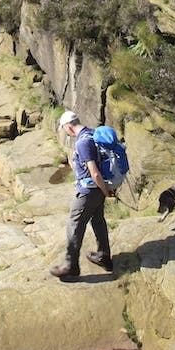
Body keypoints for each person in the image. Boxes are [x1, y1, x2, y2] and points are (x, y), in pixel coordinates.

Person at [49, 109, 113, 279]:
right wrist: (104, 189)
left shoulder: (82, 143)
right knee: (98, 220)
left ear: (68, 127)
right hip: (98, 190)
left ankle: (71, 265)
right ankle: (104, 256)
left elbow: (95, 173)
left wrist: (105, 191)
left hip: (89, 192)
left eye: (65, 130)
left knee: (74, 225)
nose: (66, 133)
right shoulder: (92, 134)